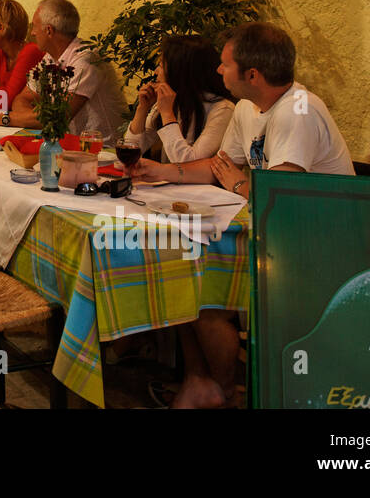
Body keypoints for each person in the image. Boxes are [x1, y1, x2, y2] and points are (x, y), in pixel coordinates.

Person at [131, 22, 353, 409]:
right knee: (182, 268)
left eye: (225, 64)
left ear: (252, 74)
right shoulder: (249, 107)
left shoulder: (298, 110)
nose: (218, 71)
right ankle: (205, 384)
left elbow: (281, 196)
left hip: (318, 245)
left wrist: (238, 185)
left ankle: (221, 390)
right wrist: (163, 173)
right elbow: (220, 166)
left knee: (199, 279)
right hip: (275, 231)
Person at [0, 0, 125, 136]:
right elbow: (21, 100)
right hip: (67, 144)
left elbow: (59, 117)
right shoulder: (50, 58)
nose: (32, 33)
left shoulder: (86, 60)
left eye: (34, 27)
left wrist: (3, 118)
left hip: (102, 151)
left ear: (49, 31)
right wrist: (38, 120)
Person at [124, 35, 235, 162]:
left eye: (161, 66)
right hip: (166, 180)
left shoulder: (222, 109)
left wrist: (167, 113)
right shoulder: (172, 100)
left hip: (199, 182)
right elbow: (130, 150)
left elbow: (187, 162)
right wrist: (142, 109)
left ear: (179, 72)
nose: (155, 72)